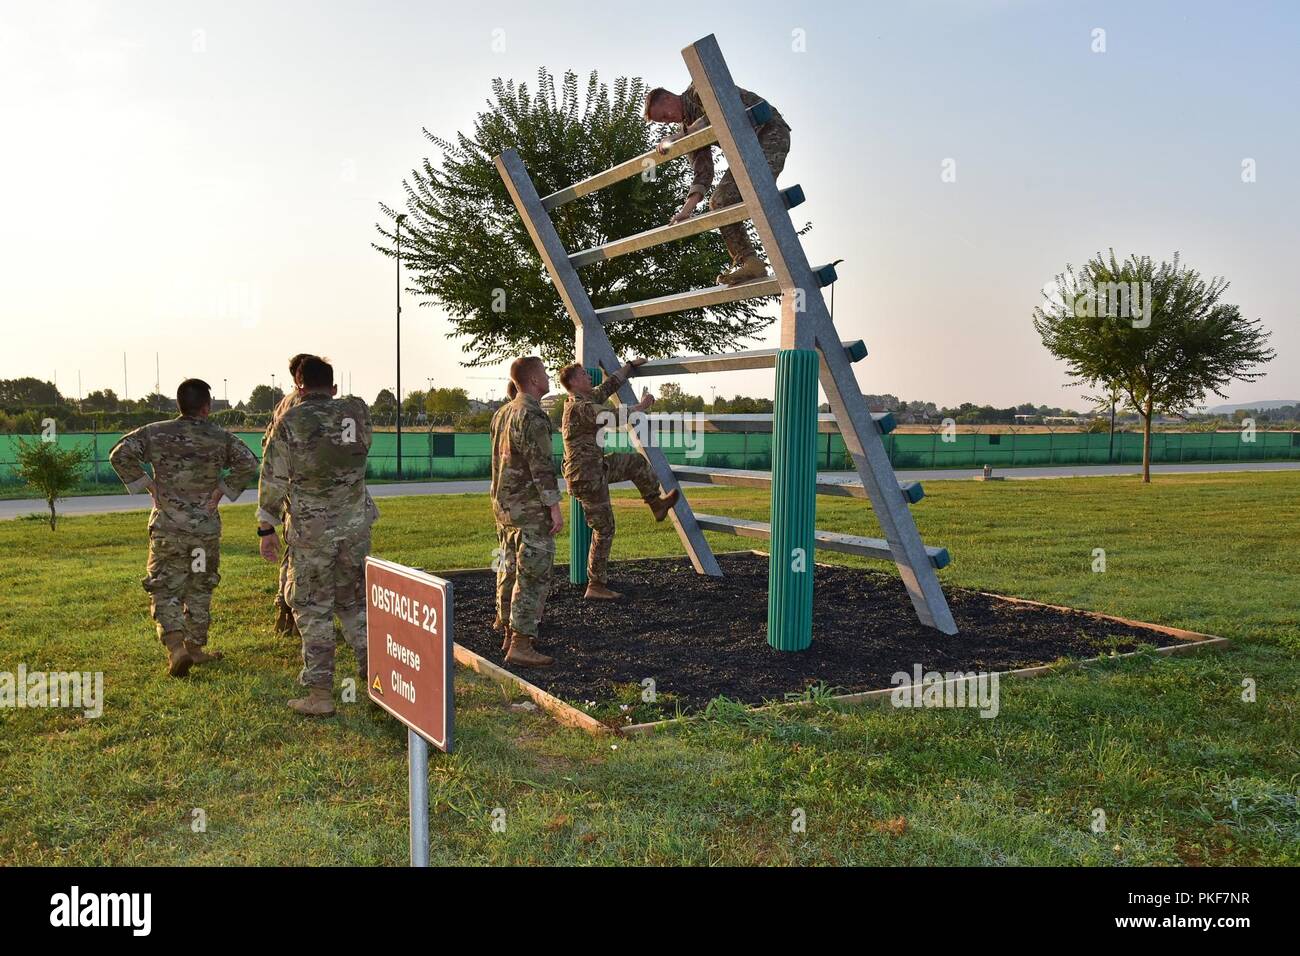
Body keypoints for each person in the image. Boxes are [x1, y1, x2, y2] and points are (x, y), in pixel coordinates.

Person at [109, 378, 259, 676]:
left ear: (179, 405)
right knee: (200, 585)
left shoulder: (156, 432)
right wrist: (220, 490)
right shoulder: (220, 436)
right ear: (207, 407)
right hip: (204, 528)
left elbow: (119, 454)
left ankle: (177, 648)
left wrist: (149, 486)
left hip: (168, 526)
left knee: (164, 587)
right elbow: (249, 463)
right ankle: (194, 648)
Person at [256, 357, 376, 716]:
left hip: (312, 532)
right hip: (355, 528)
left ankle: (320, 694)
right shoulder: (356, 412)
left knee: (313, 608)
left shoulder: (290, 421)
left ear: (298, 387)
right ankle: (377, 681)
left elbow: (273, 477)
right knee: (355, 605)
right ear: (334, 387)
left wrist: (266, 526)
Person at [644, 83, 792, 287]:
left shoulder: (699, 88)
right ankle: (751, 263)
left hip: (769, 133)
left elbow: (721, 110)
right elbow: (702, 173)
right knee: (719, 202)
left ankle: (788, 259)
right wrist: (686, 211)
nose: (668, 122)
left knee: (756, 191)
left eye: (665, 116)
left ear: (669, 99)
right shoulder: (686, 131)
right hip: (745, 154)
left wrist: (682, 135)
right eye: (663, 121)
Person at [559, 359, 678, 599]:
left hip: (596, 469)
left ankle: (656, 505)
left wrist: (628, 367)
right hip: (586, 478)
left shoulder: (587, 400)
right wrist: (641, 406)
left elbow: (608, 386)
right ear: (572, 382)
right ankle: (595, 585)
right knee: (604, 529)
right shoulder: (578, 408)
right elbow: (612, 417)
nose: (588, 377)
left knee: (634, 462)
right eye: (583, 374)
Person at [490, 356, 562, 667]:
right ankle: (520, 643)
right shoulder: (532, 415)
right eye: (545, 373)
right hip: (530, 509)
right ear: (533, 380)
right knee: (533, 575)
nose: (548, 377)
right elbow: (542, 468)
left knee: (508, 570)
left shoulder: (502, 413)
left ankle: (506, 628)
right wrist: (554, 508)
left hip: (505, 508)